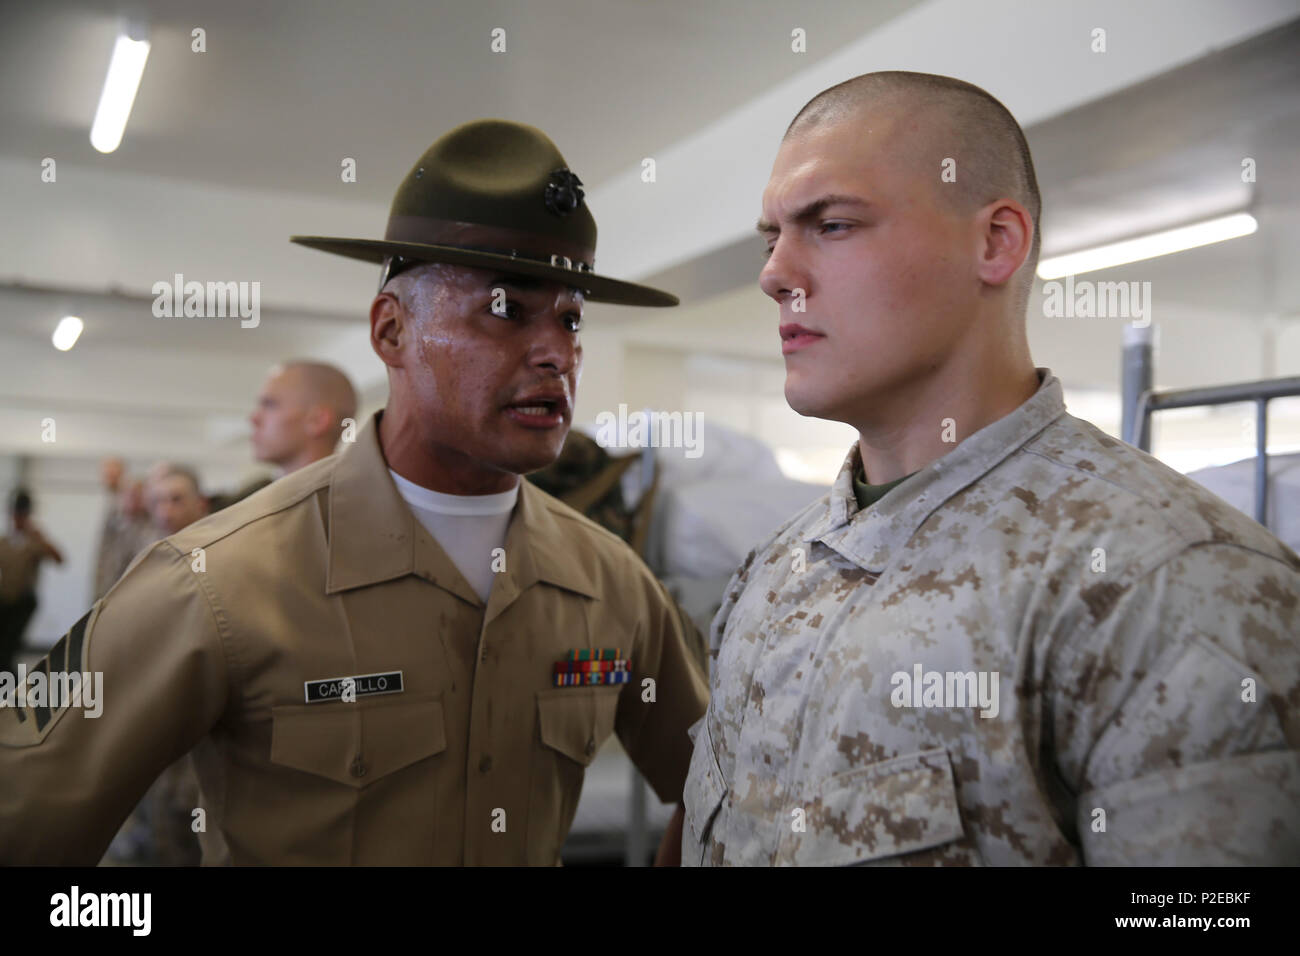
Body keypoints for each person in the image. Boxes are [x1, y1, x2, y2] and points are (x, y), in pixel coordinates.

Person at [1, 119, 708, 866]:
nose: (556, 352)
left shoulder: (611, 584)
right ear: (391, 331)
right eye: (505, 308)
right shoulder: (216, 582)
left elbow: (721, 788)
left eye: (571, 318)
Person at [681, 71, 1300, 866]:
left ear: (995, 243)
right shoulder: (771, 575)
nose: (774, 273)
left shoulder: (1171, 586)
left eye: (829, 225)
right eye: (773, 238)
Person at [0, 490, 64, 676]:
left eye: (22, 515)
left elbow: (59, 559)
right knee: (3, 651)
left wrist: (40, 537)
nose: (18, 519)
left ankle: (12, 694)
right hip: (4, 601)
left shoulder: (34, 541)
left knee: (7, 650)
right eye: (15, 514)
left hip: (24, 601)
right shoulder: (5, 542)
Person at [93, 460, 154, 601]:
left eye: (137, 495)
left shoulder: (153, 526)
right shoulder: (115, 520)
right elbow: (105, 560)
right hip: (109, 588)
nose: (133, 500)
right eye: (129, 495)